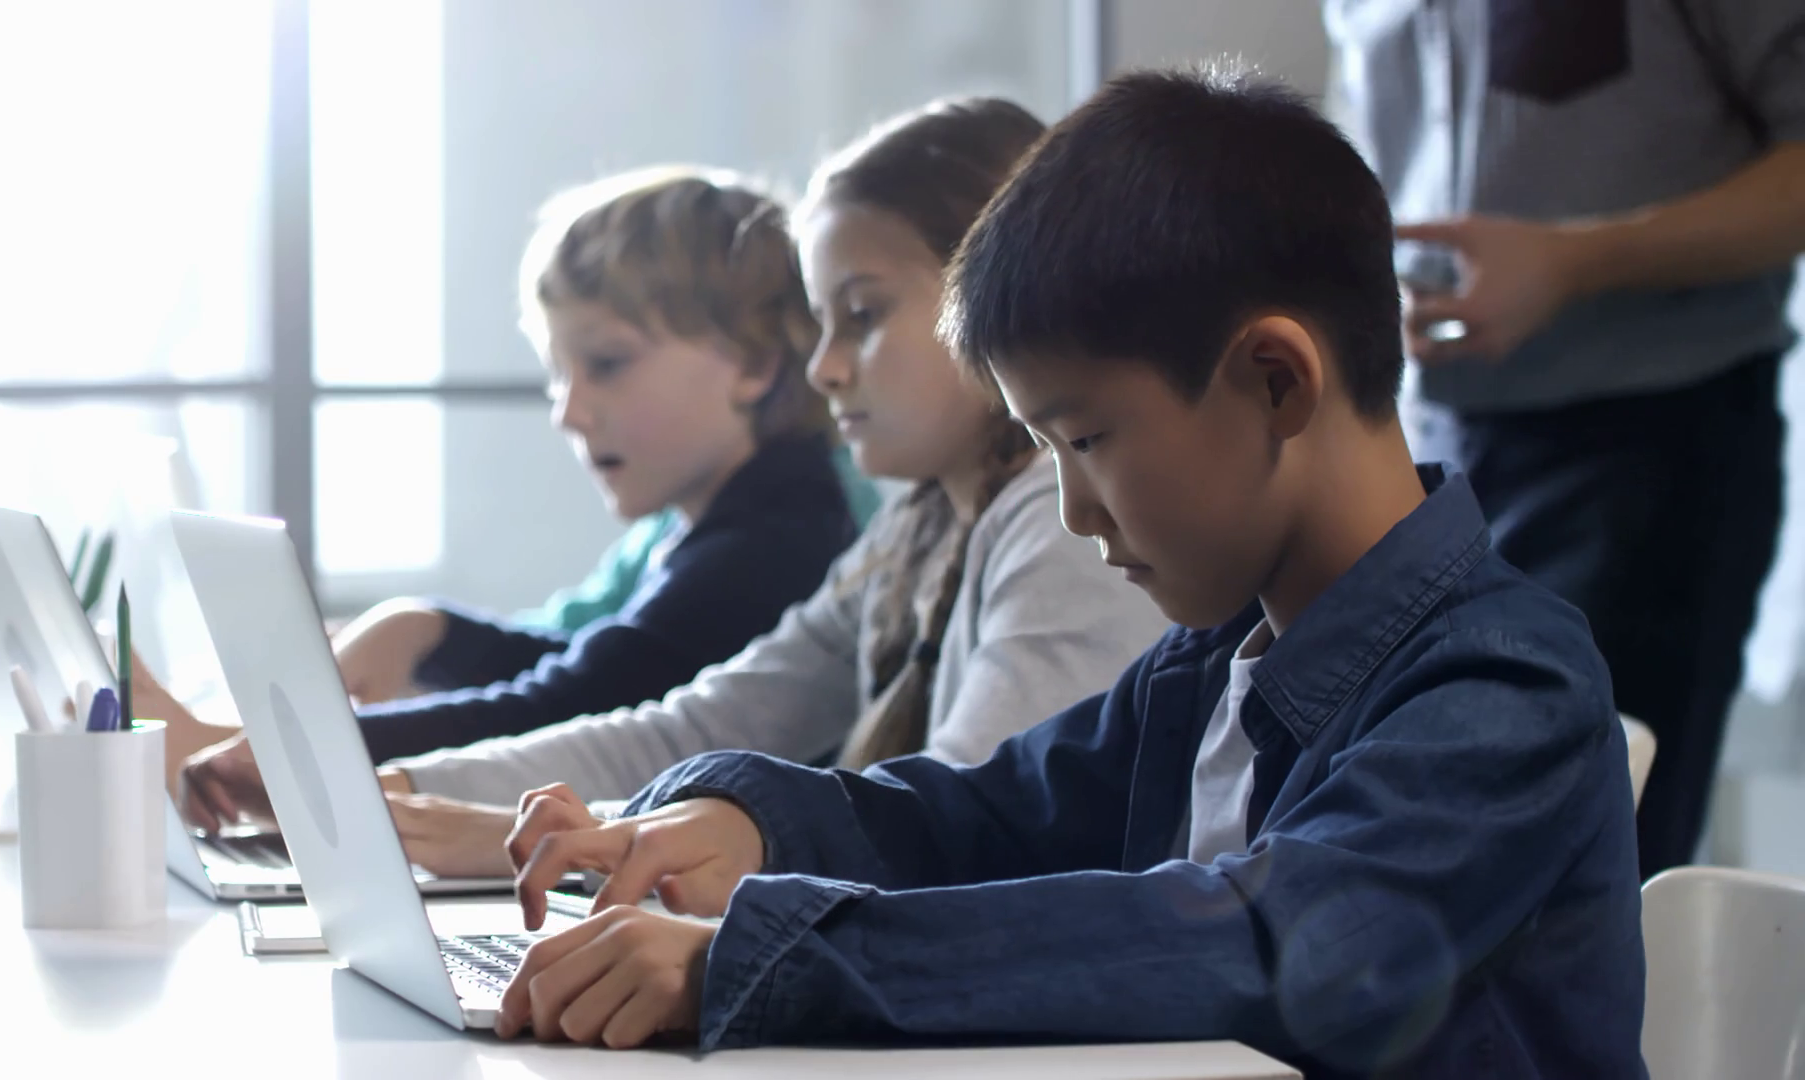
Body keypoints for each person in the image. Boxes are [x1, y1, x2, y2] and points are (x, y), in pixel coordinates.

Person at [491, 69, 1648, 1076]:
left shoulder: (1504, 688)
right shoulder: (1210, 666)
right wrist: (751, 824)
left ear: (1276, 382)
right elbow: (981, 816)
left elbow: (1257, 942)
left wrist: (761, 954)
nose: (1074, 510)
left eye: (1086, 441)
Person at [242, 97, 1165, 879]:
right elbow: (693, 728)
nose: (826, 368)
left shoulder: (1062, 527)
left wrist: (580, 840)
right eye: (819, 324)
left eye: (864, 316)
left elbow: (955, 828)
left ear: (1004, 296)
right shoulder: (916, 534)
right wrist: (412, 789)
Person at [168, 168, 866, 827]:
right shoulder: (715, 524)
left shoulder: (775, 545)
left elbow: (576, 705)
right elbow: (594, 659)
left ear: (753, 362)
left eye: (606, 365)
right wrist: (434, 632)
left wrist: (282, 749)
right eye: (558, 376)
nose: (571, 412)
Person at [1325, 0, 1805, 876]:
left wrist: (1577, 261)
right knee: (1433, 865)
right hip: (1425, 457)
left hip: (1651, 452)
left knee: (1581, 892)